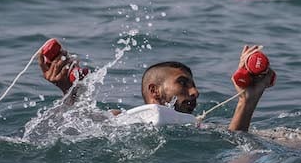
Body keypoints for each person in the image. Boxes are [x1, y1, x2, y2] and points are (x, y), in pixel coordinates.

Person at [39, 40, 199, 114]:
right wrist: (70, 91)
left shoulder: (200, 126)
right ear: (154, 91)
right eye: (183, 83)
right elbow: (77, 121)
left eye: (193, 85)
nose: (195, 92)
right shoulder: (123, 119)